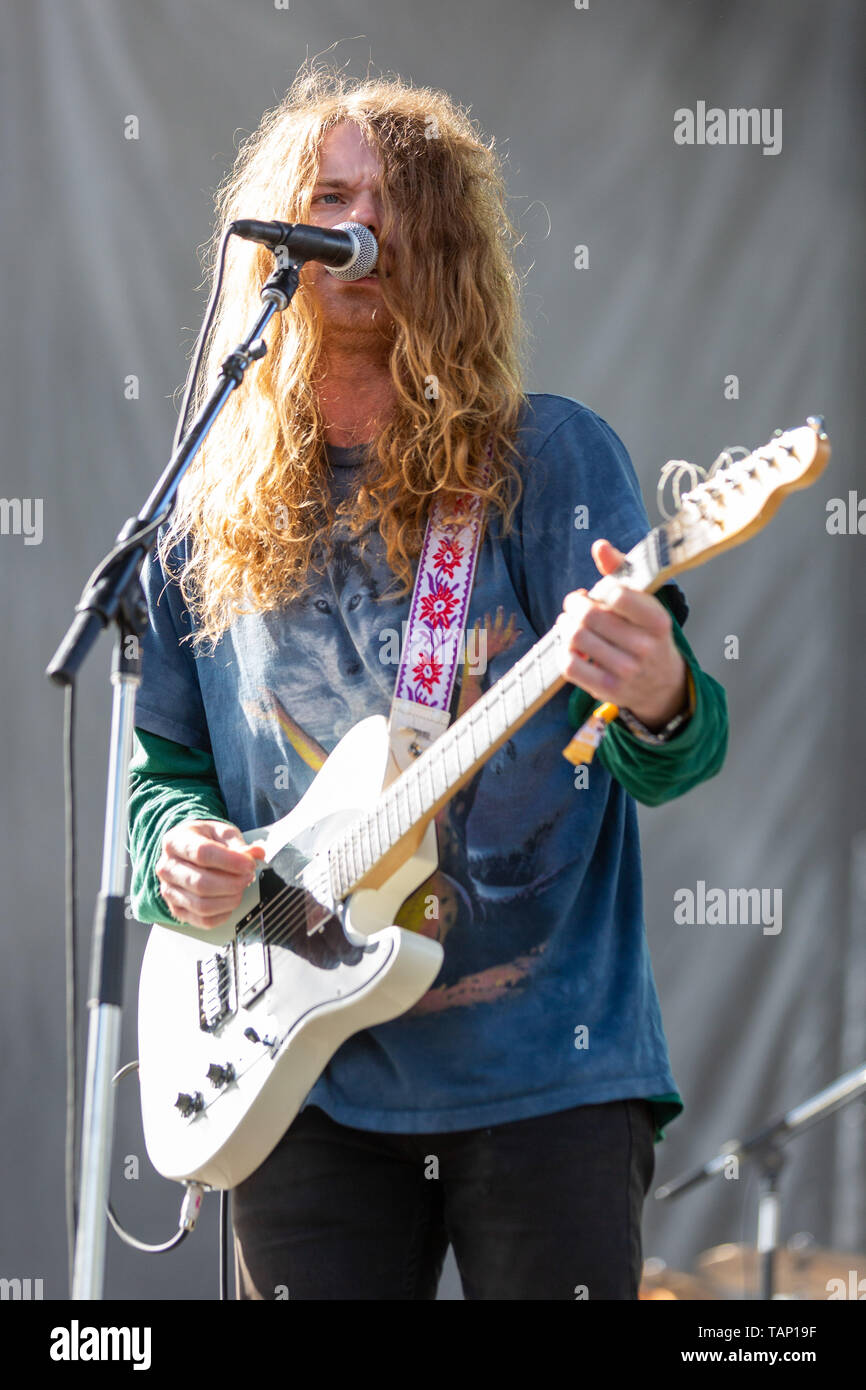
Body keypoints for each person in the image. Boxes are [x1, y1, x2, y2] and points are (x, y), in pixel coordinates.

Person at [128, 67, 728, 1301]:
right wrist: (179, 850)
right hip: (294, 1066)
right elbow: (163, 776)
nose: (363, 224)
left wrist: (659, 689)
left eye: (398, 201)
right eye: (331, 197)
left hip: (543, 1071)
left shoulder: (550, 459)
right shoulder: (201, 508)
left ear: (448, 240)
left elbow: (675, 750)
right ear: (279, 244)